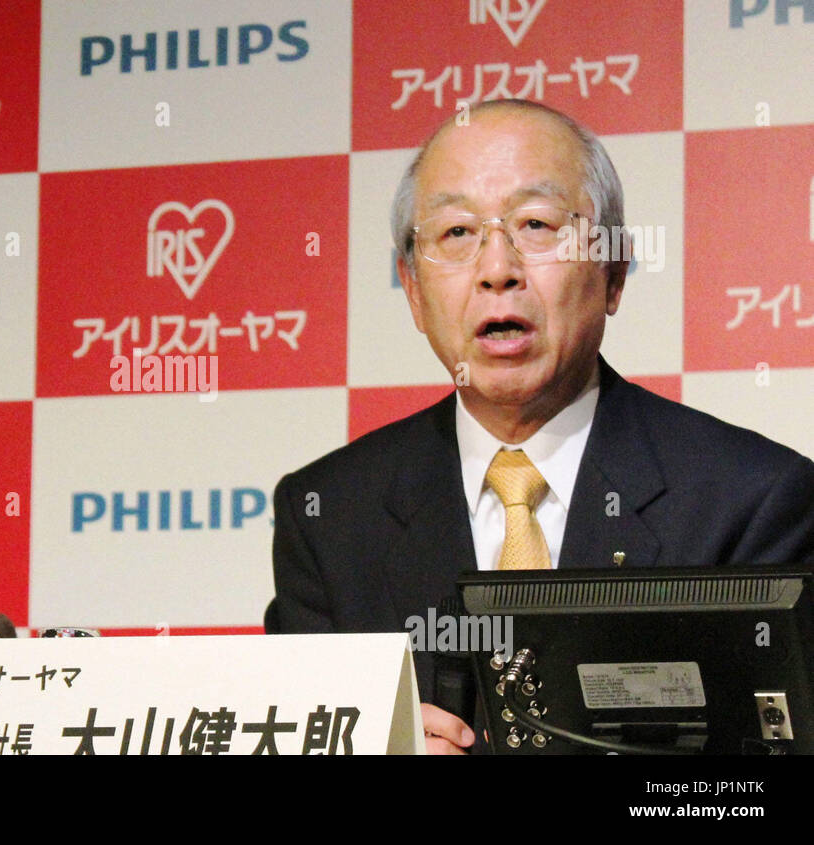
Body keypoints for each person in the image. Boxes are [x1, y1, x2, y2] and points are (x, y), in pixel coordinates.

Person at [265, 100, 814, 754]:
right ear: (412, 289)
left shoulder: (753, 499)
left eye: (536, 223)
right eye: (456, 233)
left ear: (613, 272)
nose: (497, 269)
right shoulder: (329, 517)